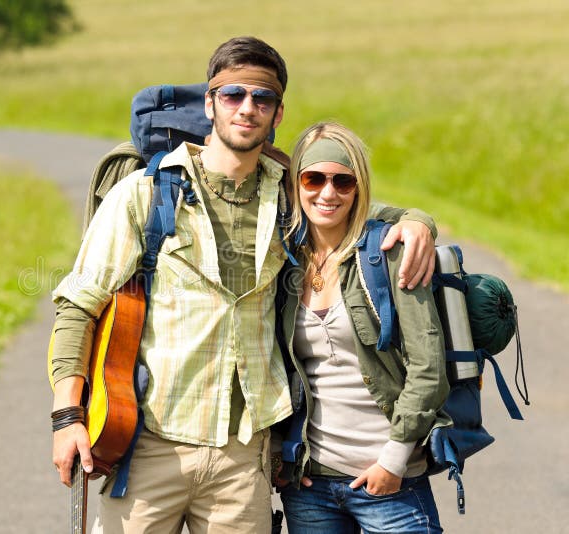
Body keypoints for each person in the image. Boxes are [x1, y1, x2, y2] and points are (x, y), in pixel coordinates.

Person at [49, 37, 438, 533]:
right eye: (233, 95)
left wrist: (417, 221)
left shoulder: (289, 193)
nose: (247, 108)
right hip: (151, 450)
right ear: (210, 104)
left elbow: (349, 204)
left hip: (244, 461)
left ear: (278, 113)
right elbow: (77, 307)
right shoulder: (143, 194)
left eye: (263, 98)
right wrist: (67, 419)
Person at [276, 121, 451, 533]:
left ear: (358, 187)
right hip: (310, 485)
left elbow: (428, 369)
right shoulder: (284, 261)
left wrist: (393, 462)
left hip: (390, 483)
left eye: (343, 181)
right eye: (313, 178)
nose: (327, 192)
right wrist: (281, 456)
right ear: (296, 183)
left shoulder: (389, 255)